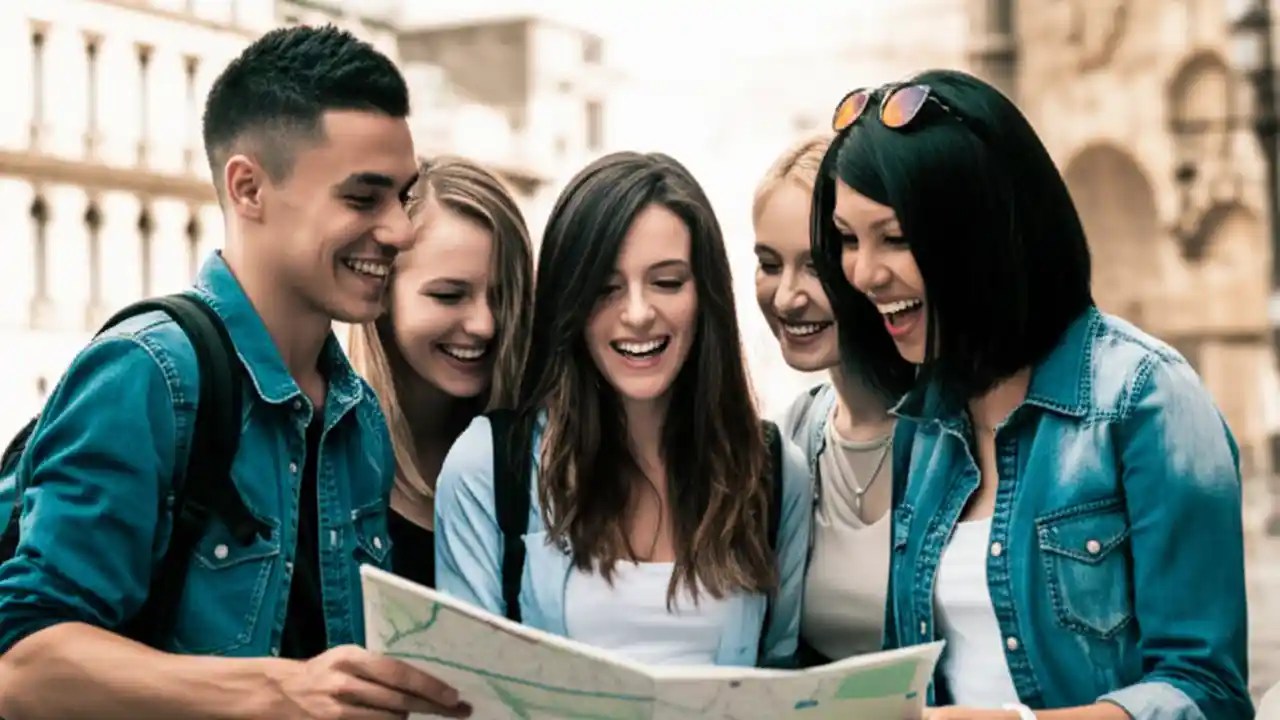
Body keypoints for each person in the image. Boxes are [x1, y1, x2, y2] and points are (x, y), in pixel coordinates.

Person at [0, 25, 469, 719]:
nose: (400, 229)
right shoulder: (150, 374)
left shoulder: (358, 415)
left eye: (402, 196)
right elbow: (20, 665)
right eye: (363, 198)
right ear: (247, 188)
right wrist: (278, 688)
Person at [810, 69, 1252, 719]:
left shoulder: (1147, 400)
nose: (863, 273)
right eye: (848, 239)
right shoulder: (923, 423)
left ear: (983, 235)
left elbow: (1206, 693)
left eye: (896, 239)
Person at [434, 151, 812, 668]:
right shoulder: (489, 466)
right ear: (570, 303)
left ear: (706, 296)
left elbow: (779, 675)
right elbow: (467, 689)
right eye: (605, 289)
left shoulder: (774, 472)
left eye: (667, 281)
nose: (637, 313)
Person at [751, 133, 911, 666]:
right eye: (770, 264)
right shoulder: (787, 440)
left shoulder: (967, 431)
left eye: (816, 266)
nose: (788, 296)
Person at [348, 155, 535, 589]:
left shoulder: (542, 459)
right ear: (382, 289)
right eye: (449, 295)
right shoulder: (323, 458)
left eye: (504, 297)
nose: (485, 325)